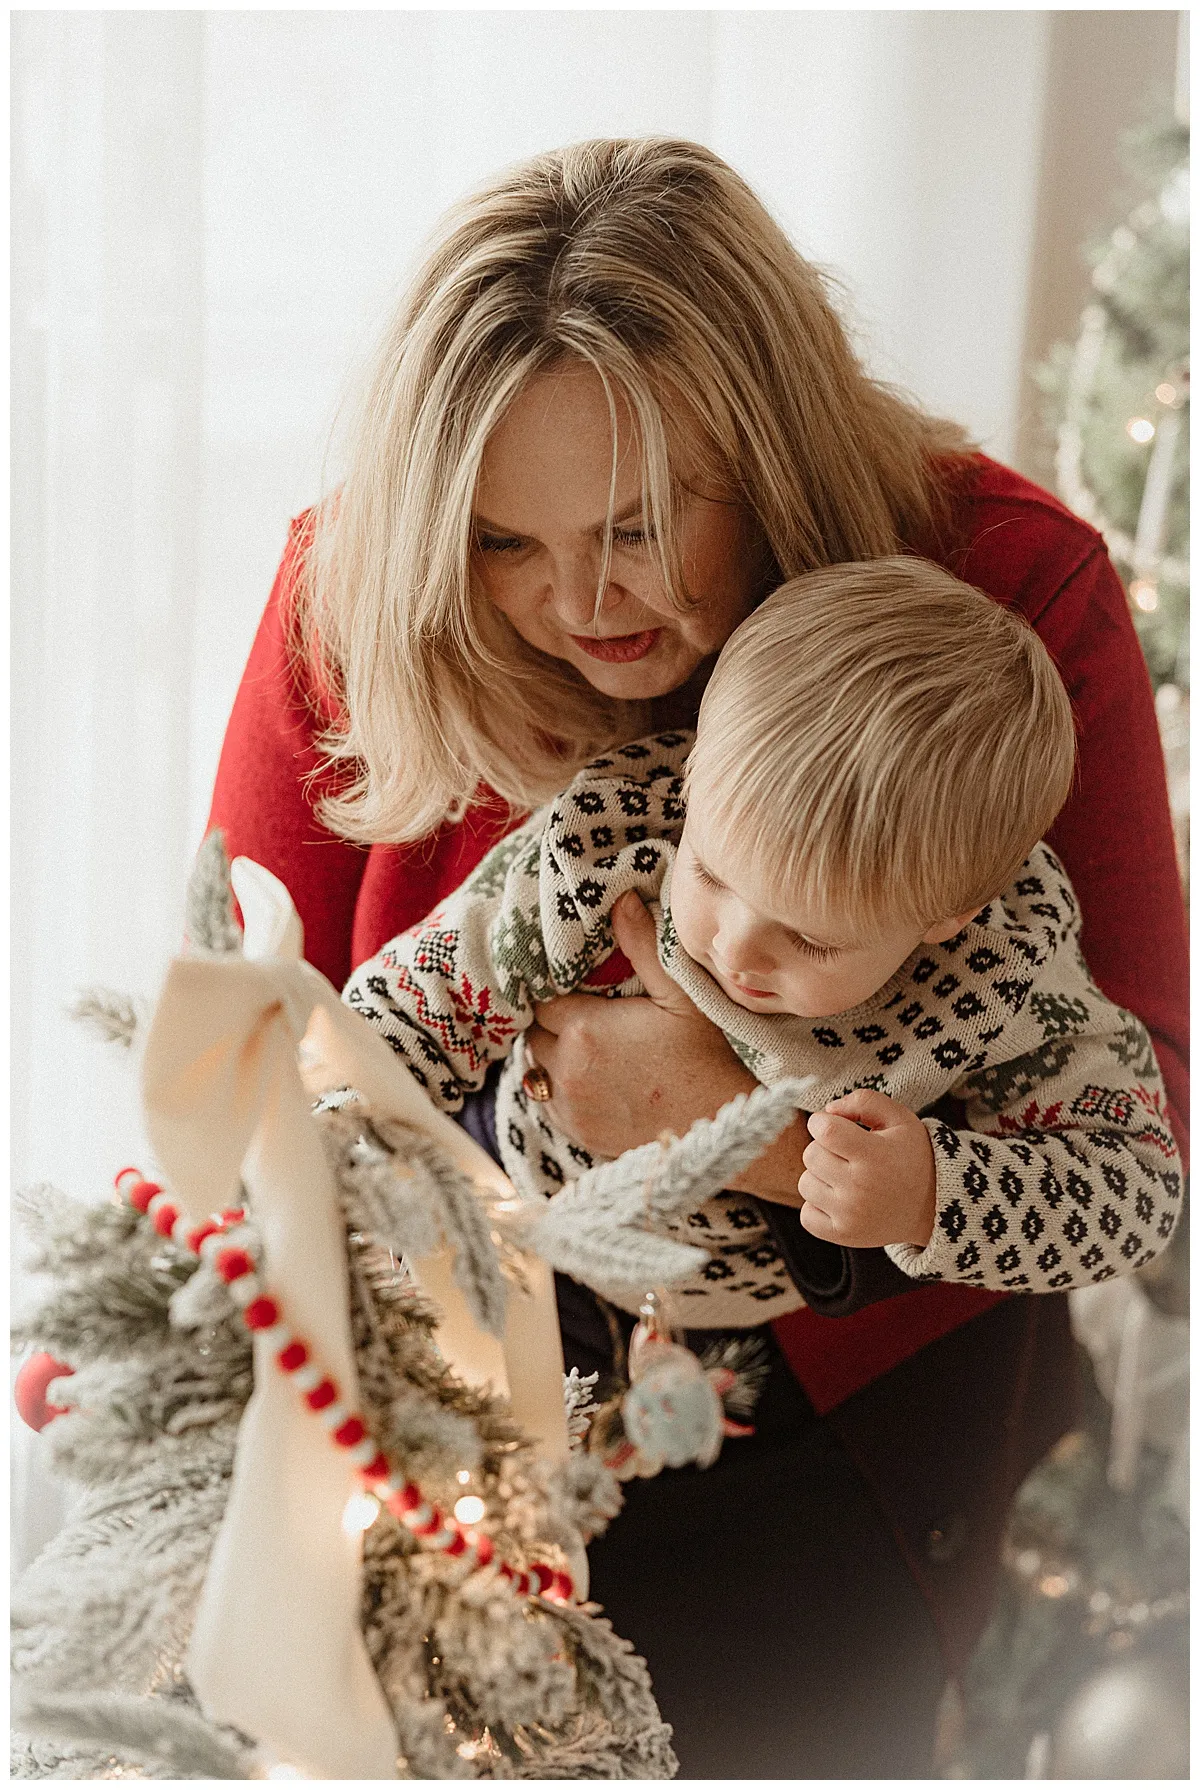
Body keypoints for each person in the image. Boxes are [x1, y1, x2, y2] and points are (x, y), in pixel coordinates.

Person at [207, 138, 1188, 1777]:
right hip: (428, 1338)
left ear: (779, 456)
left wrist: (748, 1131)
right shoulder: (361, 577)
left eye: (640, 527)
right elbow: (255, 1000)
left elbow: (1141, 1108)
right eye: (506, 546)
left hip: (829, 1406)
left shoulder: (1000, 596)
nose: (578, 604)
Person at [343, 559, 1180, 1324]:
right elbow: (418, 996)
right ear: (696, 771)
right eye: (709, 876)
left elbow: (1139, 1194)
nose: (736, 949)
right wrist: (332, 1143)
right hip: (495, 1174)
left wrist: (933, 1192)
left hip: (705, 1338)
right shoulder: (618, 836)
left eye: (812, 941)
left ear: (947, 918)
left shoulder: (1005, 981)